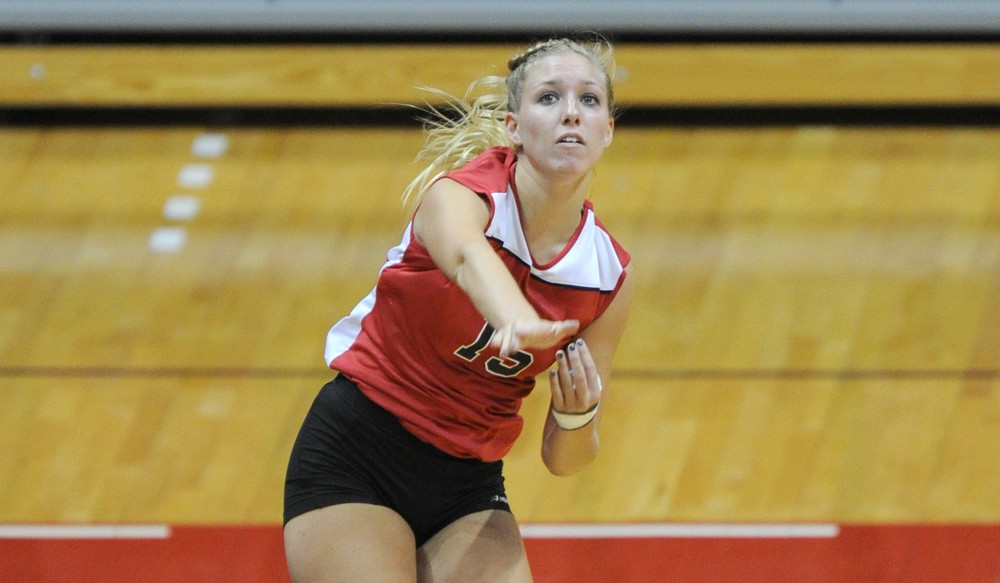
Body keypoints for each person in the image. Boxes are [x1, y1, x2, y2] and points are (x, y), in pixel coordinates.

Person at [283, 36, 634, 583]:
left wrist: (576, 415)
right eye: (549, 98)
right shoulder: (460, 197)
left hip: (467, 485)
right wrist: (513, 316)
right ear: (513, 126)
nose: (571, 113)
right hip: (358, 453)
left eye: (590, 100)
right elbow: (470, 258)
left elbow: (564, 460)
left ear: (608, 129)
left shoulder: (608, 274)